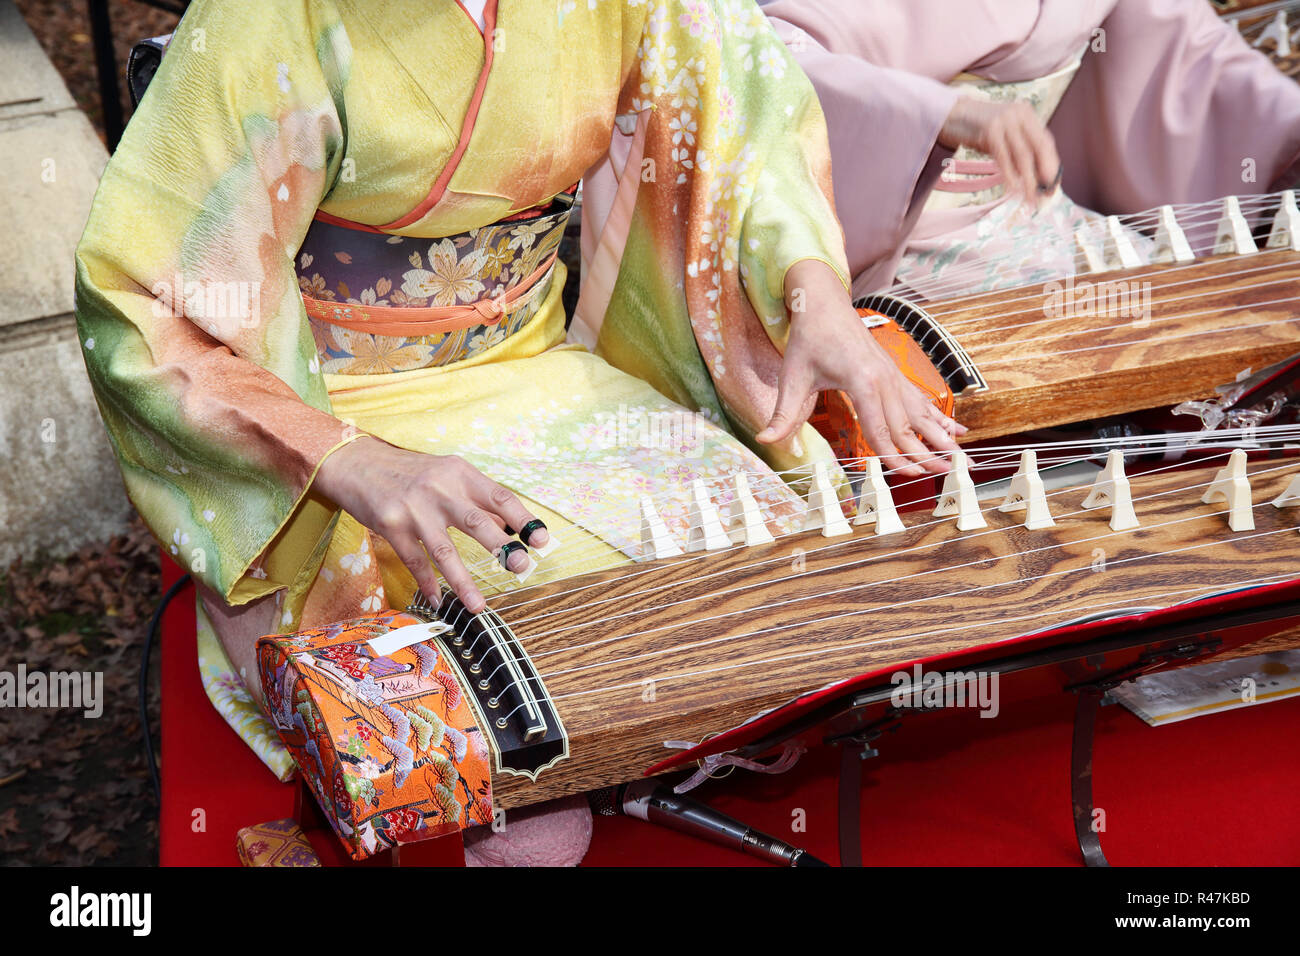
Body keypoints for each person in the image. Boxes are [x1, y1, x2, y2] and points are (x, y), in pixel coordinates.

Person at [73, 0, 961, 862]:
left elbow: (744, 118)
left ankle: (607, 772)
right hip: (339, 408)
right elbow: (142, 300)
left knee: (771, 573)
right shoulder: (268, 13)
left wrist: (815, 295)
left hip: (539, 368)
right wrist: (345, 461)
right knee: (529, 668)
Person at [753, 0, 1300, 298]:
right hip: (908, 229)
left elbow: (1196, 56)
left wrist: (1288, 130)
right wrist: (941, 115)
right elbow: (770, 59)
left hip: (1032, 210)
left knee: (1180, 304)